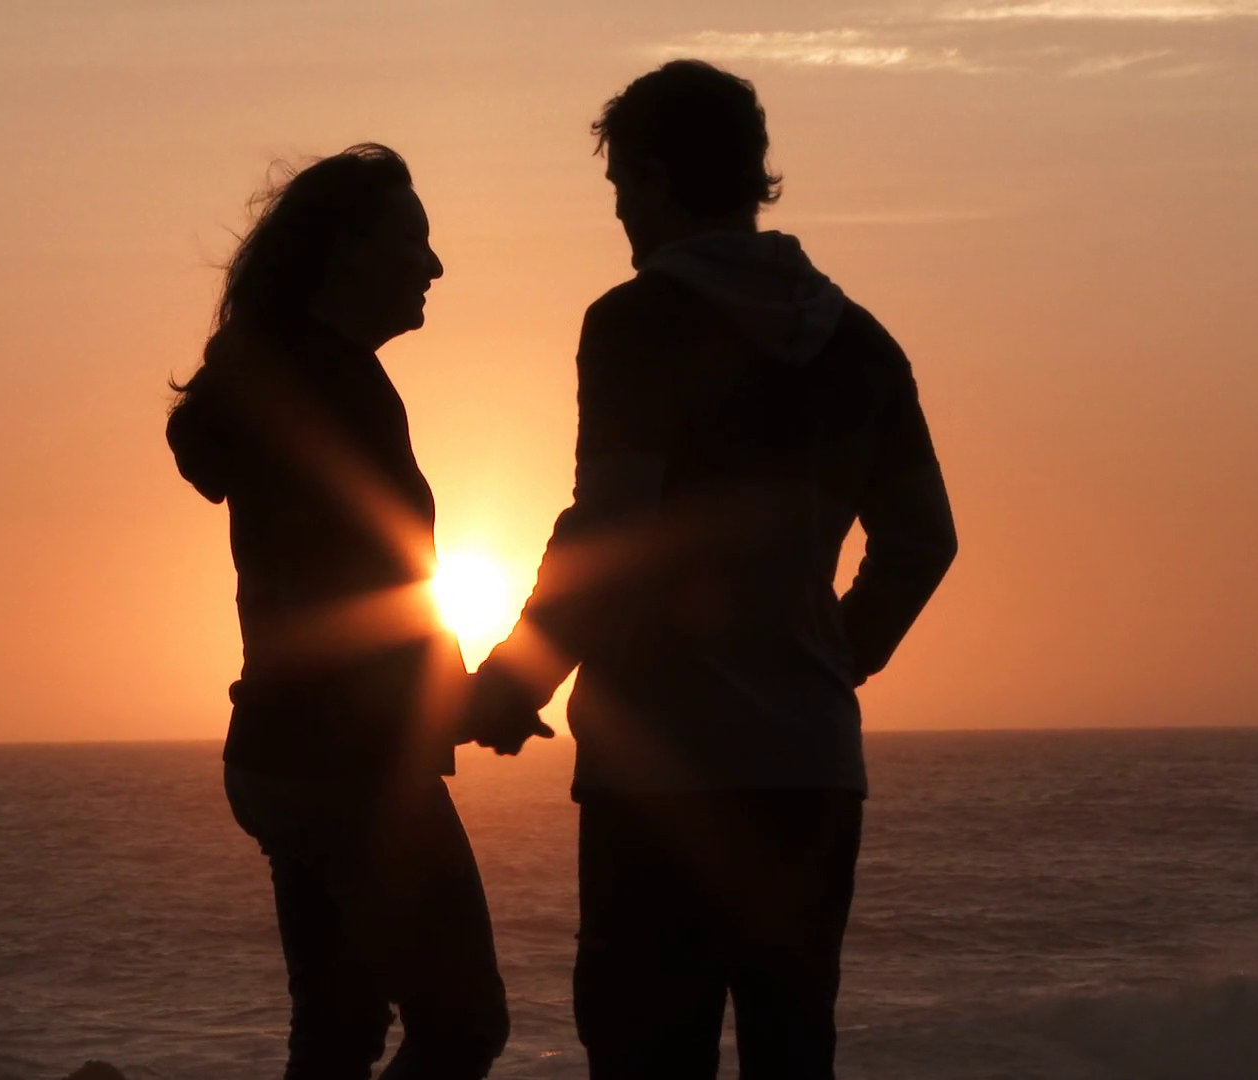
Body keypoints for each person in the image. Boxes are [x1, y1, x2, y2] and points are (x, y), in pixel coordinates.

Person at [463, 62, 959, 1078]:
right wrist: (836, 655)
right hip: (812, 770)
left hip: (662, 770)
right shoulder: (863, 345)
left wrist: (513, 685)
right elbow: (923, 540)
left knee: (647, 1054)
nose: (620, 219)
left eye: (618, 192)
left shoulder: (637, 322)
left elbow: (609, 532)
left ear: (650, 178)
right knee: (793, 1050)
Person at [166, 144, 515, 1080]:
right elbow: (368, 596)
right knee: (462, 1024)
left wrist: (457, 696)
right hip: (346, 763)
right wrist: (466, 698)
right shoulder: (333, 389)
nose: (434, 266)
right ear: (349, 251)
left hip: (282, 749)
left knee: (338, 1028)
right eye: (414, 240)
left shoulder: (278, 374)